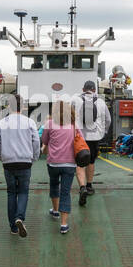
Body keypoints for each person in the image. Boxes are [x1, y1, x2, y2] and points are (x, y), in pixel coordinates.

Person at [0, 95, 40, 236]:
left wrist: (1, 157)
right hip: (25, 162)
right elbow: (36, 142)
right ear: (23, 107)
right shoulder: (30, 122)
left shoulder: (2, 123)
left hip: (8, 163)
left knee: (11, 193)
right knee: (23, 191)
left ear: (9, 107)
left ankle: (13, 227)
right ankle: (20, 217)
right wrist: (34, 158)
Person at [40, 101, 84, 236]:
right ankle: (64, 225)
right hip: (70, 164)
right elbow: (81, 141)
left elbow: (44, 141)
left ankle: (55, 211)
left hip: (53, 163)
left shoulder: (49, 124)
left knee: (54, 185)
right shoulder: (73, 126)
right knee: (65, 192)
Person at [73, 80, 111, 206]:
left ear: (83, 89)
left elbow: (69, 117)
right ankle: (89, 186)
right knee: (91, 161)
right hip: (95, 137)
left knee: (79, 162)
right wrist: (103, 132)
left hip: (80, 137)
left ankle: (82, 187)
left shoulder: (75, 100)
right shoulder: (100, 102)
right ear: (94, 90)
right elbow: (108, 120)